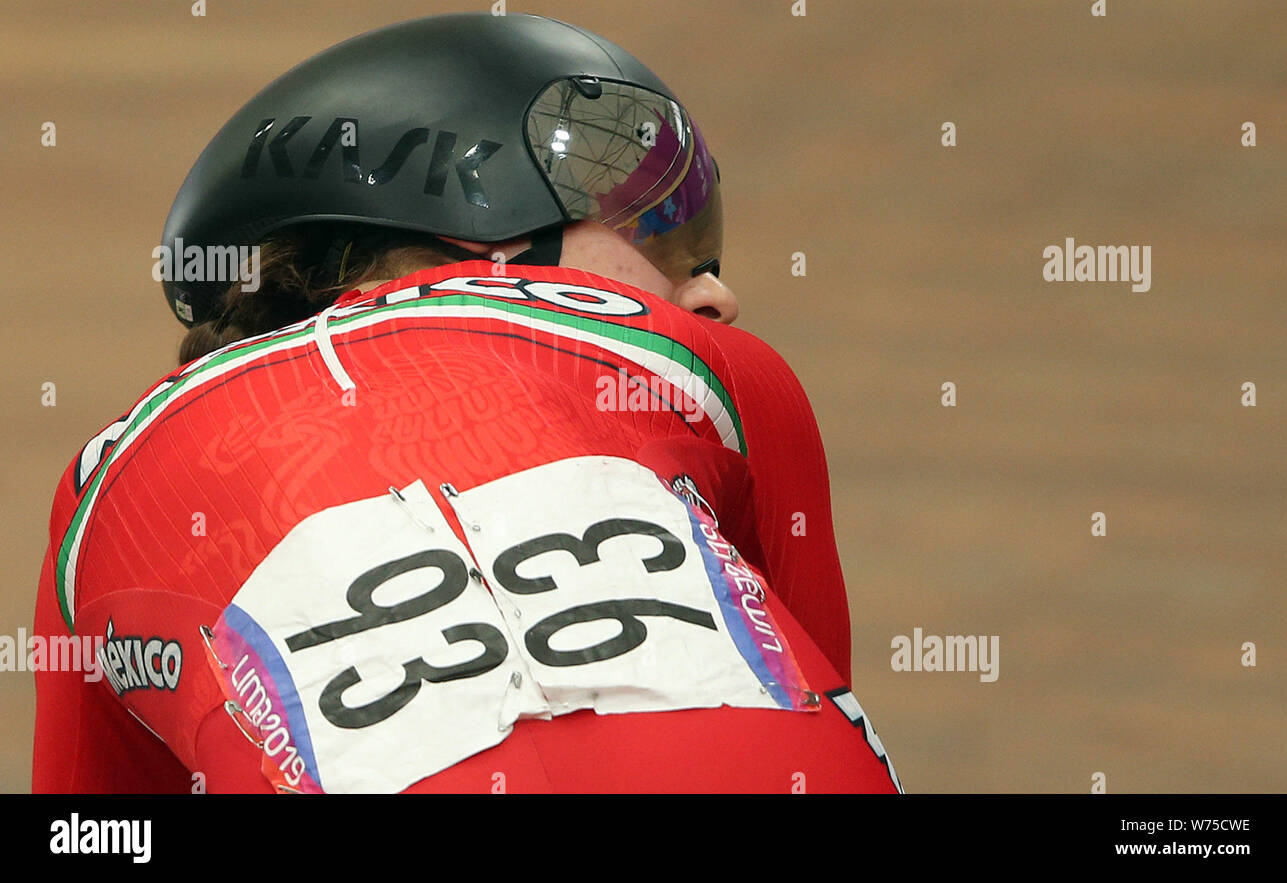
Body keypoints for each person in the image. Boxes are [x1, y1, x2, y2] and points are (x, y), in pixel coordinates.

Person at [32, 12, 901, 793]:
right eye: (667, 236)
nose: (717, 296)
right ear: (485, 243)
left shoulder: (104, 479)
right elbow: (814, 681)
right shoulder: (693, 360)